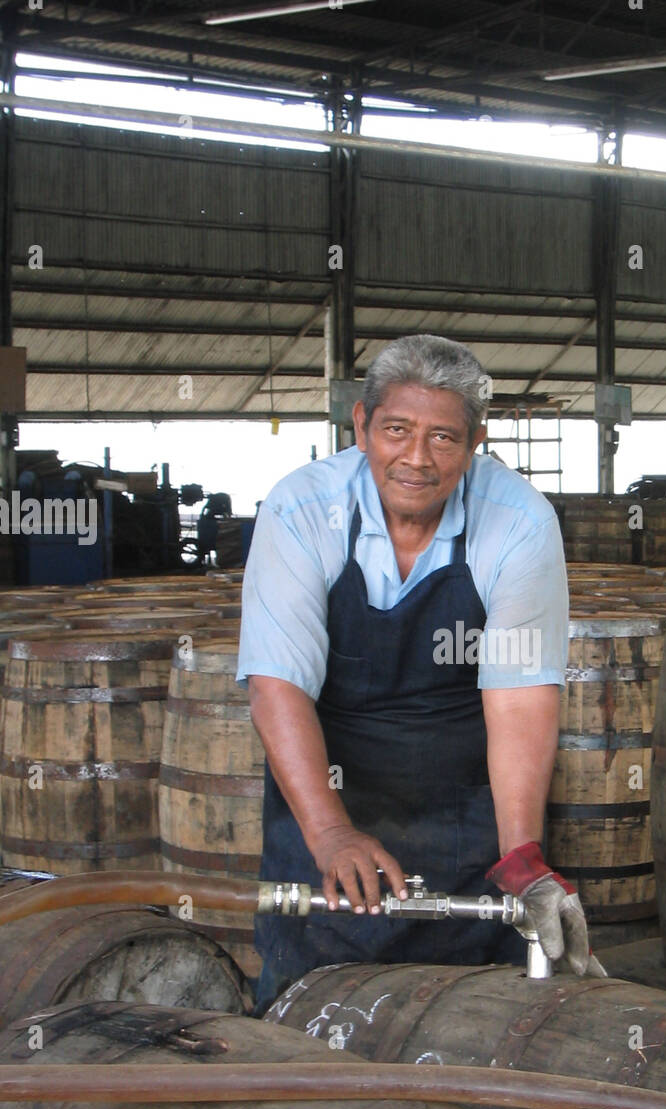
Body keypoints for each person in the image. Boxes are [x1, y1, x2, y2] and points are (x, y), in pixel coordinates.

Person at [237, 333, 592, 1011]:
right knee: (309, 1015)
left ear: (476, 441)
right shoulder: (302, 510)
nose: (417, 458)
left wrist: (520, 856)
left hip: (461, 812)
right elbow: (276, 683)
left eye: (444, 438)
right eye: (397, 430)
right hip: (329, 797)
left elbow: (519, 699)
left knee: (467, 1016)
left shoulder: (517, 522)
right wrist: (331, 831)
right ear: (362, 425)